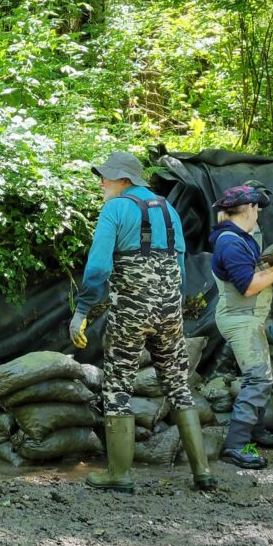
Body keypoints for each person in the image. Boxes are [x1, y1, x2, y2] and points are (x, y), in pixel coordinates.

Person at [69, 151, 212, 493]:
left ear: (123, 179)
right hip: (169, 312)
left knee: (118, 389)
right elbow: (179, 265)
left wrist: (82, 311)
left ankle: (119, 475)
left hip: (131, 313)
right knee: (179, 388)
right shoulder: (169, 210)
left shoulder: (115, 209)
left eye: (105, 176)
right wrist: (170, 307)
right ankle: (202, 472)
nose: (101, 182)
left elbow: (99, 268)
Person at [209, 186, 273, 470]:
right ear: (250, 210)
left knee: (261, 375)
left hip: (249, 318)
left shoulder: (240, 239)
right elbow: (248, 287)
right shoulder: (231, 243)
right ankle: (236, 444)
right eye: (258, 209)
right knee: (258, 379)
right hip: (240, 318)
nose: (259, 214)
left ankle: (255, 431)